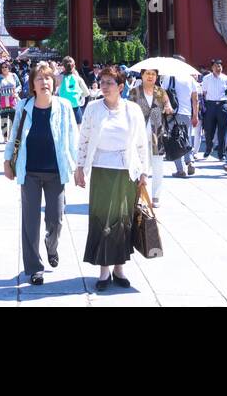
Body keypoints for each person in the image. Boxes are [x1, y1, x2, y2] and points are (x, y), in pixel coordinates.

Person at [75, 65, 150, 291]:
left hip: (126, 171)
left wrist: (144, 172)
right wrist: (79, 167)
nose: (104, 86)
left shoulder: (133, 110)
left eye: (109, 83)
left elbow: (141, 142)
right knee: (101, 218)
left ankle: (119, 267)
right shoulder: (93, 108)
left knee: (123, 219)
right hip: (100, 168)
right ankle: (103, 269)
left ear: (120, 87)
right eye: (102, 82)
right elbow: (84, 138)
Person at [5, 61, 79, 285]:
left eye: (48, 78)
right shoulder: (24, 106)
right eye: (40, 78)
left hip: (56, 171)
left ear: (53, 83)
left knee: (55, 219)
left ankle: (51, 245)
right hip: (30, 171)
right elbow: (14, 135)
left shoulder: (64, 106)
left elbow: (72, 137)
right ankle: (34, 267)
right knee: (30, 220)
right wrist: (8, 161)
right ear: (33, 85)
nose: (45, 82)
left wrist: (77, 166)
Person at [129, 67, 174, 206]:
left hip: (157, 132)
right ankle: (140, 195)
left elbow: (168, 105)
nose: (150, 76)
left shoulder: (160, 92)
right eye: (147, 73)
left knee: (158, 165)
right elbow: (128, 110)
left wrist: (168, 108)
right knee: (141, 165)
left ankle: (156, 196)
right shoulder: (134, 92)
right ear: (142, 75)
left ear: (156, 77)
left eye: (153, 74)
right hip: (138, 133)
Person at [163, 66, 199, 177]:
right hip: (187, 113)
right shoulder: (190, 79)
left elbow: (163, 93)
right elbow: (195, 99)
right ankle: (190, 162)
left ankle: (180, 170)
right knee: (185, 138)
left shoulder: (169, 77)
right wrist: (195, 115)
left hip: (172, 113)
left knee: (175, 141)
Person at [199, 59, 227, 161]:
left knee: (222, 131)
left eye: (220, 66)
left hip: (222, 105)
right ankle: (208, 148)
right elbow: (204, 92)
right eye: (216, 66)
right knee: (208, 130)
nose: (218, 68)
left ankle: (222, 153)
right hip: (210, 105)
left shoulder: (226, 79)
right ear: (212, 68)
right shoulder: (207, 78)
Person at [55, 56, 87, 125]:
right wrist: (79, 95)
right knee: (78, 131)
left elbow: (52, 92)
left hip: (62, 108)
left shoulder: (58, 78)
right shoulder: (78, 78)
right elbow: (86, 93)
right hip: (76, 108)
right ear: (74, 66)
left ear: (63, 66)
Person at [0, 63, 20, 140]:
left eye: (5, 67)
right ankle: (5, 137)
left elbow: (19, 85)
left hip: (13, 100)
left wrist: (16, 92)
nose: (4, 68)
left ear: (9, 68)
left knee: (13, 119)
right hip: (3, 101)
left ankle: (12, 136)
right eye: (2, 67)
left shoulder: (14, 76)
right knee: (4, 119)